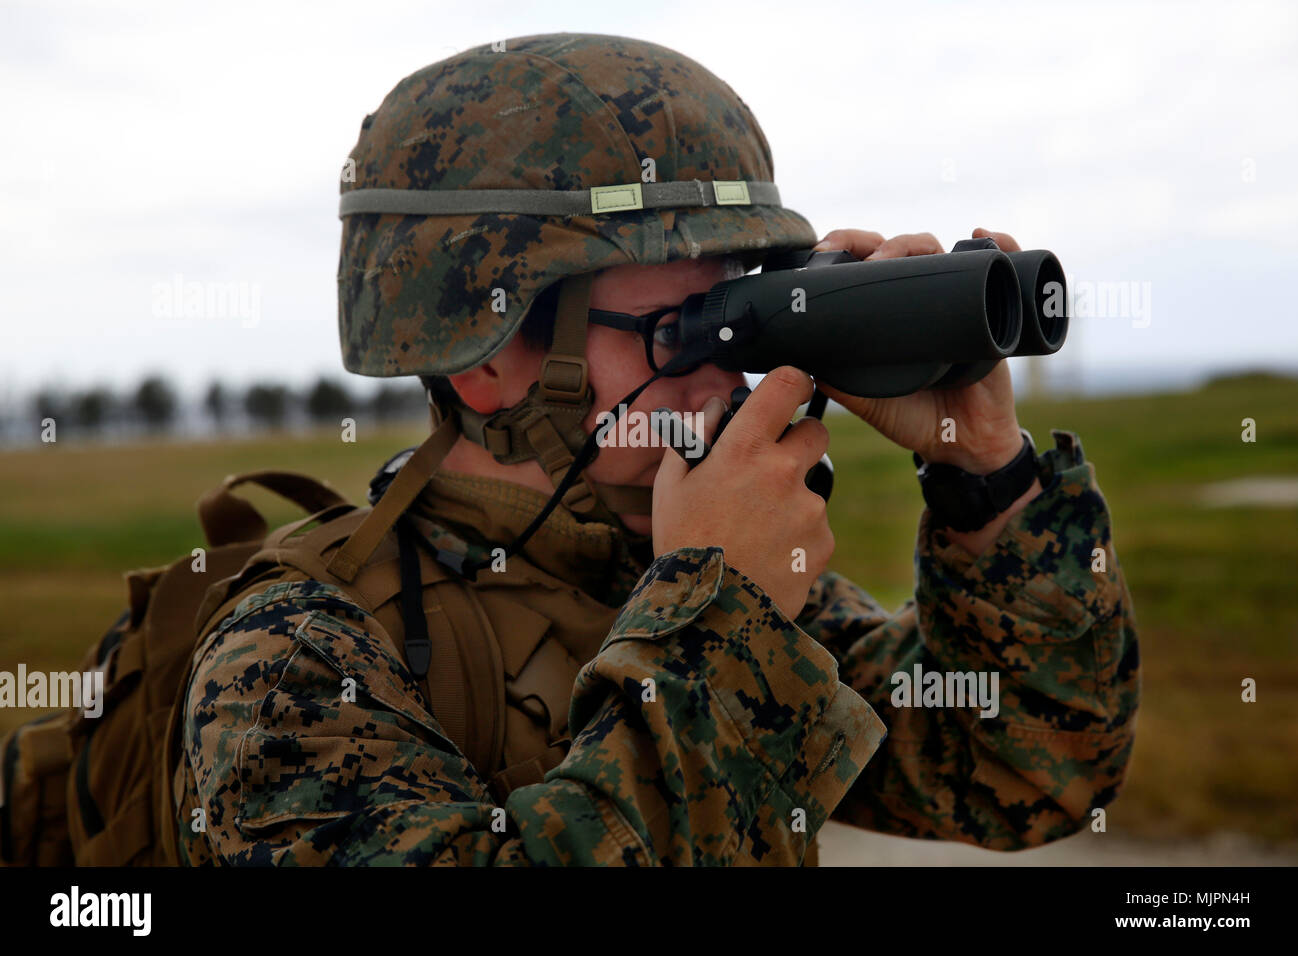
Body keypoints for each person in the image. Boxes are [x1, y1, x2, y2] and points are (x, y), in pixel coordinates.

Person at [174, 33, 1138, 866]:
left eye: (744, 315)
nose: (728, 378)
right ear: (487, 361)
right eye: (683, 324)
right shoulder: (290, 662)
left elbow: (1027, 769)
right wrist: (721, 620)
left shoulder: (669, 571)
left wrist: (985, 477)